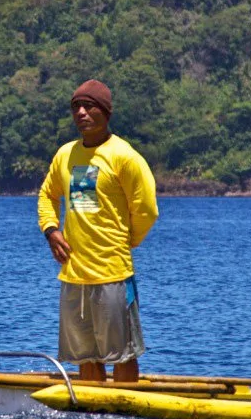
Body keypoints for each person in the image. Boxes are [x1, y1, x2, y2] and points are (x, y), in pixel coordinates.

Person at [36, 79, 159, 384]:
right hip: (74, 275)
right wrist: (51, 230)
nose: (81, 112)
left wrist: (125, 242)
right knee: (84, 355)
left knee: (121, 354)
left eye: (89, 106)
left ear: (105, 112)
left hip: (113, 274)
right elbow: (47, 195)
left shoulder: (124, 156)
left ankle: (125, 415)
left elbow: (146, 210)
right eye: (76, 107)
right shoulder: (66, 155)